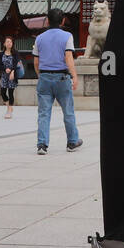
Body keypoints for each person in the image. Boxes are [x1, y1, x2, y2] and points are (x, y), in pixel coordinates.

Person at [33, 9, 81, 154]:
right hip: (62, 78)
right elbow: (68, 57)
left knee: (43, 113)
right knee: (68, 111)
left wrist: (40, 75)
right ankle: (72, 142)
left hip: (45, 77)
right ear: (63, 21)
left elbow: (36, 61)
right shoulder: (67, 36)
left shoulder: (39, 38)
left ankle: (42, 145)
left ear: (47, 21)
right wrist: (74, 76)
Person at [0, 35, 21, 119]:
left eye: (10, 42)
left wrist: (12, 71)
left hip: (12, 75)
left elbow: (16, 64)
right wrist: (5, 69)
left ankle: (9, 111)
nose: (9, 43)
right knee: (3, 92)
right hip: (4, 76)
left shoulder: (15, 53)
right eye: (7, 42)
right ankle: (9, 107)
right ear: (4, 43)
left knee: (11, 93)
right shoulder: (1, 54)